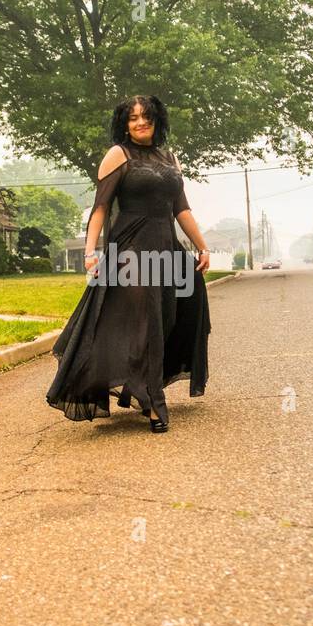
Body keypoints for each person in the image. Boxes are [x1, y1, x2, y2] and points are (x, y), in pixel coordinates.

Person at [45, 95, 212, 433]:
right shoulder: (118, 155)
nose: (139, 122)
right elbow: (101, 208)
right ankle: (154, 405)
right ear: (124, 123)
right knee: (147, 323)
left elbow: (182, 209)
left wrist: (202, 245)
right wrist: (90, 252)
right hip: (132, 250)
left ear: (157, 120)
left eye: (146, 117)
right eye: (132, 118)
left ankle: (140, 385)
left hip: (167, 248)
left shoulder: (170, 158)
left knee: (167, 319)